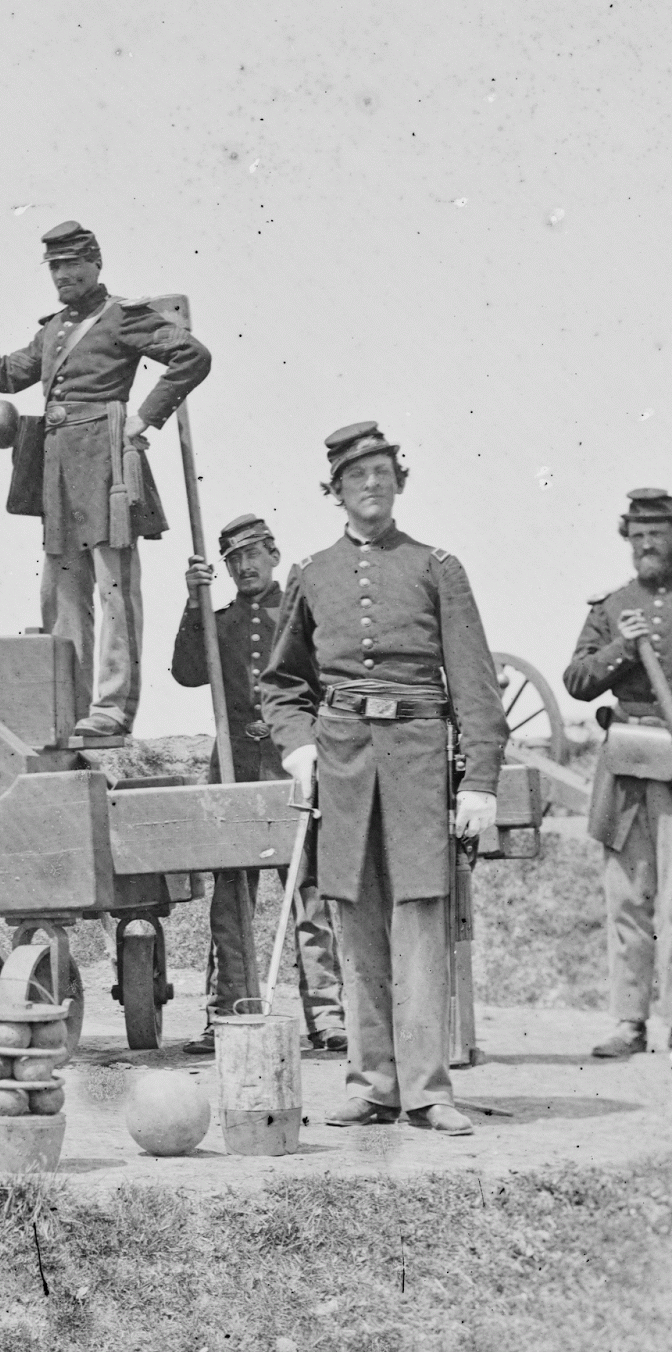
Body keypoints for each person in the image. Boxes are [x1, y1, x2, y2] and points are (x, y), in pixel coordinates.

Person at [261, 423, 507, 1136]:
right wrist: (299, 747)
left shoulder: (438, 567)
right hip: (341, 763)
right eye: (356, 475)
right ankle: (372, 1084)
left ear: (399, 482)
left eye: (382, 472)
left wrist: (480, 782)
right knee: (356, 921)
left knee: (420, 919)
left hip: (419, 760)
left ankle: (427, 1090)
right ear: (335, 490)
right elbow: (280, 684)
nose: (371, 484)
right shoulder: (310, 573)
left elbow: (476, 686)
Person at [0, 220, 211, 736]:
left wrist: (146, 417)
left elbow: (192, 357)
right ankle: (71, 708)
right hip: (59, 464)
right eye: (55, 268)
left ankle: (111, 711)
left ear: (95, 264)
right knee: (61, 593)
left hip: (106, 460)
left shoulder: (123, 317)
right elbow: (7, 373)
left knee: (114, 591)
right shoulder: (54, 329)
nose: (62, 275)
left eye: (71, 265)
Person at [170, 513, 346, 1055]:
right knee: (231, 899)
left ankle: (328, 1017)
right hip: (234, 769)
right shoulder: (216, 620)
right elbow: (186, 671)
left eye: (253, 555)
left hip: (291, 766)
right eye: (233, 560)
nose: (244, 567)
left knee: (309, 893)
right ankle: (229, 1011)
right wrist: (191, 602)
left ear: (273, 555)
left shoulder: (298, 617)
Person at [562, 487, 672, 1059]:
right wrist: (623, 650)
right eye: (638, 535)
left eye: (657, 533)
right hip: (628, 766)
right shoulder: (611, 608)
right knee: (628, 896)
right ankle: (630, 1022)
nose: (647, 544)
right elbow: (577, 681)